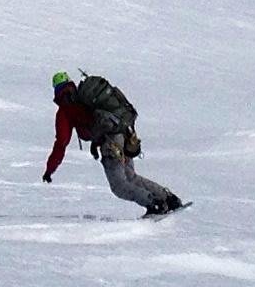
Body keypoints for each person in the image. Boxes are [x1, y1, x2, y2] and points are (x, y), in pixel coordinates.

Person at [43, 69, 184, 216]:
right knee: (131, 177)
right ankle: (168, 199)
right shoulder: (85, 95)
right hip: (124, 132)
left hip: (110, 142)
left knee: (119, 185)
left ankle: (155, 205)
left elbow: (61, 142)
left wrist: (50, 169)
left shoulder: (65, 110)